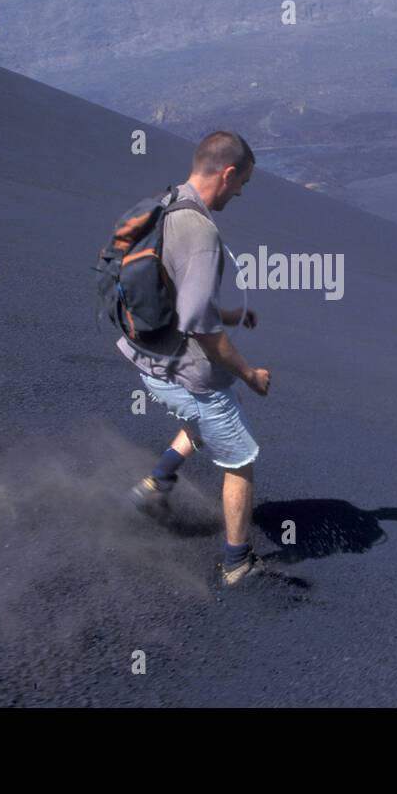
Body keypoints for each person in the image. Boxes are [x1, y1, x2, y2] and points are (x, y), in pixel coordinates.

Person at [120, 131, 272, 586]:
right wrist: (248, 374)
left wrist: (229, 313)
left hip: (145, 354)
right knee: (240, 460)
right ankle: (237, 562)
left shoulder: (167, 202)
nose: (241, 192)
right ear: (227, 174)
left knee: (201, 418)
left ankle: (156, 484)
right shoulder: (202, 231)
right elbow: (203, 332)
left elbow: (179, 295)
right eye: (242, 182)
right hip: (186, 370)